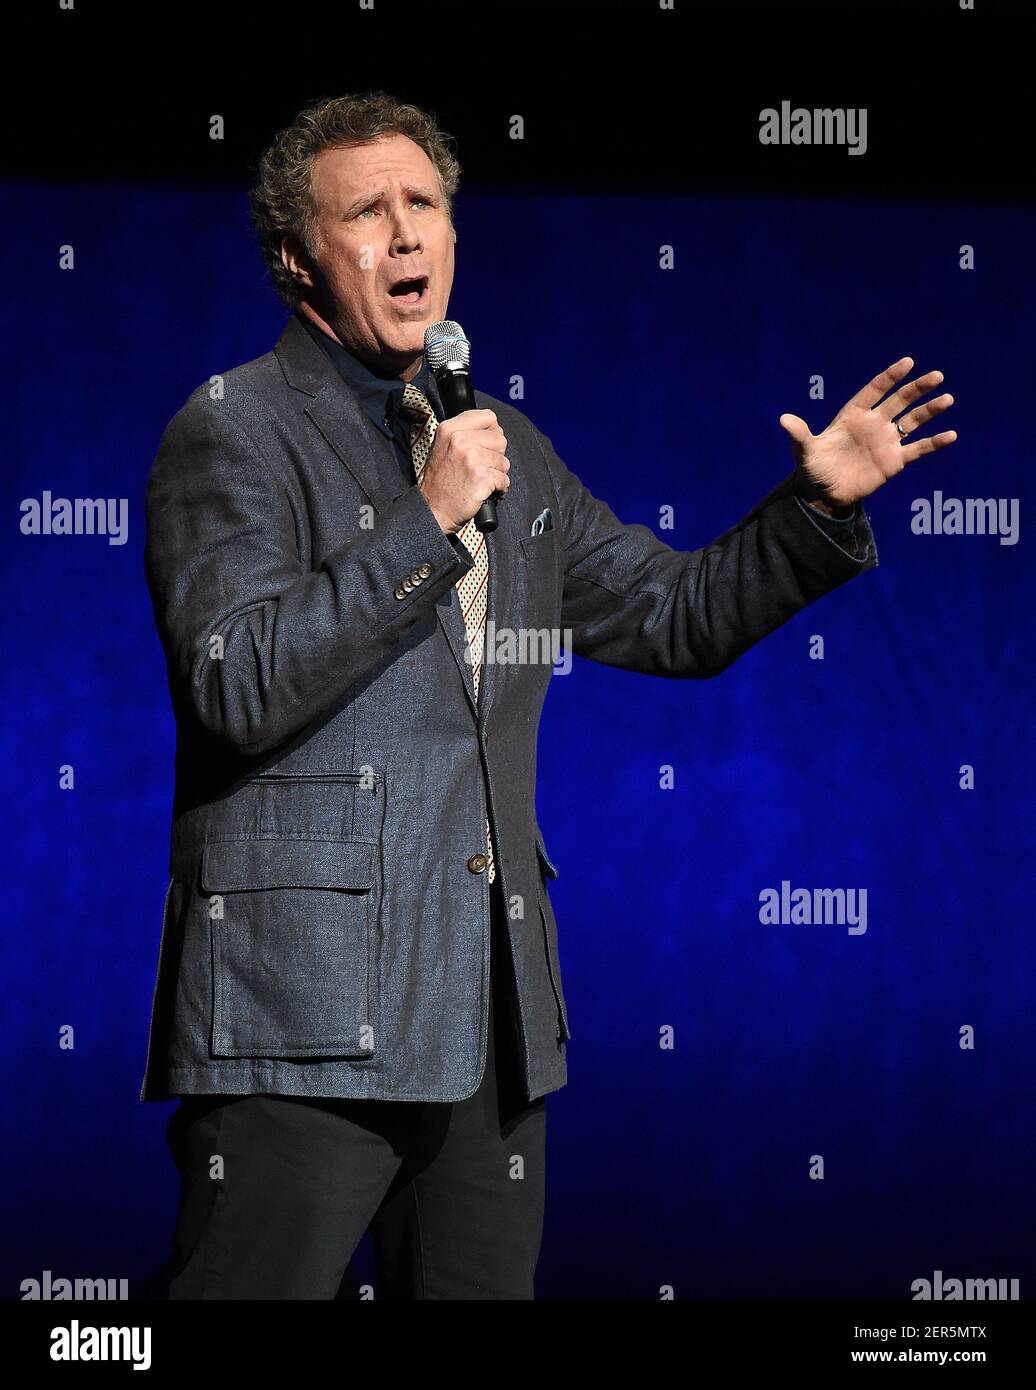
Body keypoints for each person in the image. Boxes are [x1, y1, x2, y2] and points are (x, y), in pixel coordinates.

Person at [141, 91, 956, 1300]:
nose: (409, 233)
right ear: (294, 258)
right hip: (299, 1025)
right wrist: (423, 519)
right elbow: (235, 681)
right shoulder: (237, 429)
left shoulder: (497, 441)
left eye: (426, 204)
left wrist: (815, 509)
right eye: (368, 211)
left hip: (488, 1024)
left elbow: (673, 617)